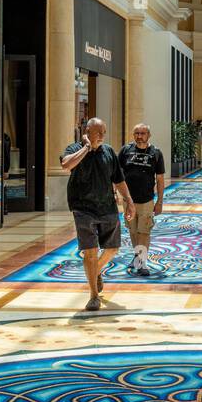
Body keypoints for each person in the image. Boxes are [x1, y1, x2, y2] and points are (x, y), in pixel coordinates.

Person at [60, 117, 135, 311]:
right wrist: (86, 148)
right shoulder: (73, 149)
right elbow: (66, 165)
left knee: (113, 248)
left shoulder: (109, 151)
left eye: (104, 132)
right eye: (98, 132)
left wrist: (129, 200)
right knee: (90, 252)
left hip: (107, 206)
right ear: (87, 132)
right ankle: (94, 296)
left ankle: (96, 271)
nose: (102, 136)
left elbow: (118, 179)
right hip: (82, 208)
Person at [117, 123, 165, 275]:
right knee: (133, 231)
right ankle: (137, 256)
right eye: (136, 133)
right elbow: (116, 175)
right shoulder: (125, 151)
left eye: (143, 133)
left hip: (146, 200)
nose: (139, 136)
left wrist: (160, 202)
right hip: (128, 200)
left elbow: (160, 179)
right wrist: (114, 193)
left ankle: (142, 261)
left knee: (144, 231)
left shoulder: (156, 153)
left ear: (148, 135)